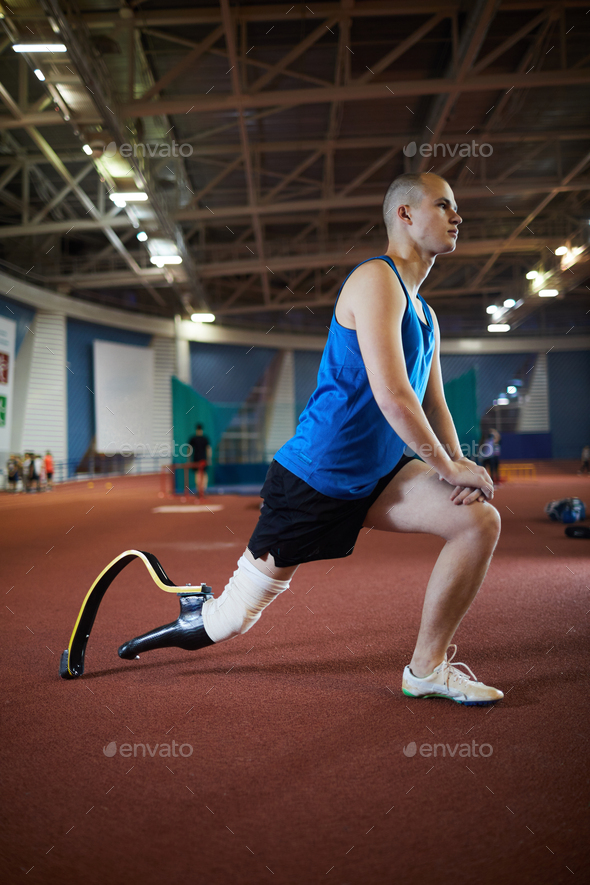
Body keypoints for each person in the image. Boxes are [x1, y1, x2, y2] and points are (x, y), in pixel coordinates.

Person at [120, 172, 503, 706]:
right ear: (405, 215)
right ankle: (181, 618)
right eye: (445, 205)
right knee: (230, 621)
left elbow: (432, 401)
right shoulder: (375, 279)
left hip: (381, 475)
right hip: (315, 479)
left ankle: (427, 669)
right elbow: (393, 394)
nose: (458, 215)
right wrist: (447, 465)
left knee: (478, 520)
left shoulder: (427, 314)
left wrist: (458, 462)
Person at [187, 424, 212, 499]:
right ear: (202, 430)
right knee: (203, 474)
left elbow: (189, 449)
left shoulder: (193, 438)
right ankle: (203, 489)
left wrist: (189, 459)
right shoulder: (205, 438)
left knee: (197, 474)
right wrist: (209, 459)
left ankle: (199, 489)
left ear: (196, 430)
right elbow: (208, 449)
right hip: (203, 459)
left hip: (196, 459)